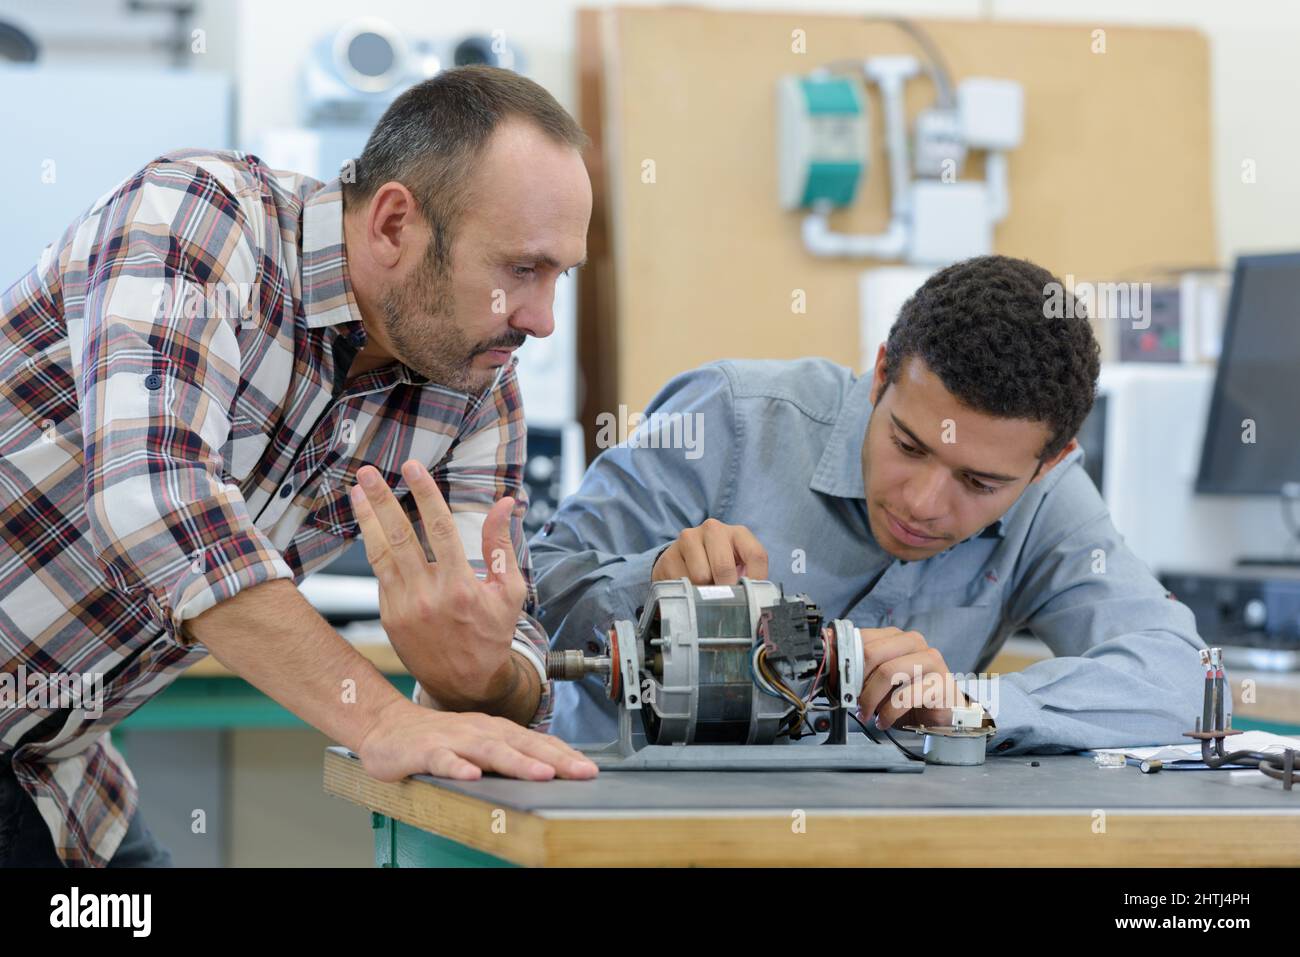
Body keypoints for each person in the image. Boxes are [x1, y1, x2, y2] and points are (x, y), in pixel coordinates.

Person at [0, 65, 597, 869]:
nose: (543, 319)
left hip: (55, 767)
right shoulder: (201, 217)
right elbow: (156, 498)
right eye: (522, 269)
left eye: (561, 275)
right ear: (393, 224)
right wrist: (382, 717)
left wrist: (484, 673)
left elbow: (507, 638)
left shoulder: (474, 384)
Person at [531, 255, 1211, 752]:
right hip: (615, 828)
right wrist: (648, 579)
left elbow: (1179, 676)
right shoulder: (730, 419)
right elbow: (529, 596)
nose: (922, 502)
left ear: (1049, 463)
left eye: (978, 484)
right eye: (908, 444)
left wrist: (973, 701)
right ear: (882, 372)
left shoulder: (1049, 498)